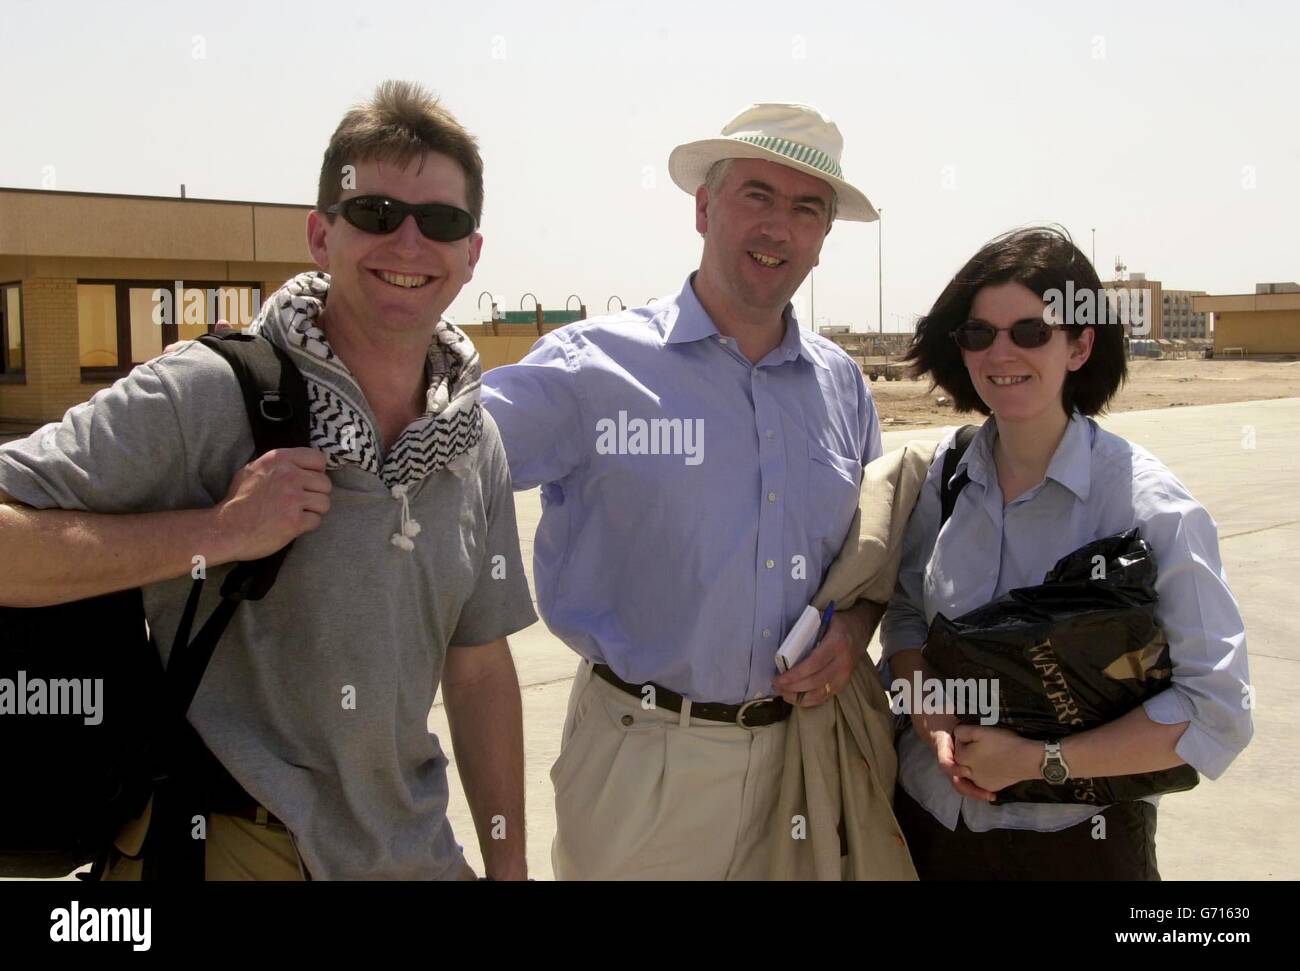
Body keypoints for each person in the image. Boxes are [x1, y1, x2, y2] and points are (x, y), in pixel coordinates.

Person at [0, 81, 537, 880]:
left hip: (410, 850)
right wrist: (217, 533)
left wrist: (510, 867)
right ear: (322, 236)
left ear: (472, 254)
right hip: (231, 845)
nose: (409, 243)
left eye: (442, 222)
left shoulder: (472, 438)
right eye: (376, 214)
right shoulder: (212, 394)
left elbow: (480, 665)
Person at [482, 103, 884, 879]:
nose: (779, 228)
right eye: (757, 196)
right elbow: (437, 453)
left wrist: (855, 626)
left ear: (824, 237)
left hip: (804, 763)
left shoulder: (842, 387)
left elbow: (872, 557)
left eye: (806, 209)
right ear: (704, 207)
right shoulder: (590, 371)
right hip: (643, 769)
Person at [878, 226, 1253, 879]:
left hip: (1074, 844)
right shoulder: (949, 470)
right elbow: (908, 617)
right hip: (926, 830)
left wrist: (1039, 760)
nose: (1002, 353)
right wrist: (932, 717)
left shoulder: (1146, 508)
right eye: (979, 333)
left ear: (1080, 344)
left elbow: (1215, 708)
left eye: (1030, 332)